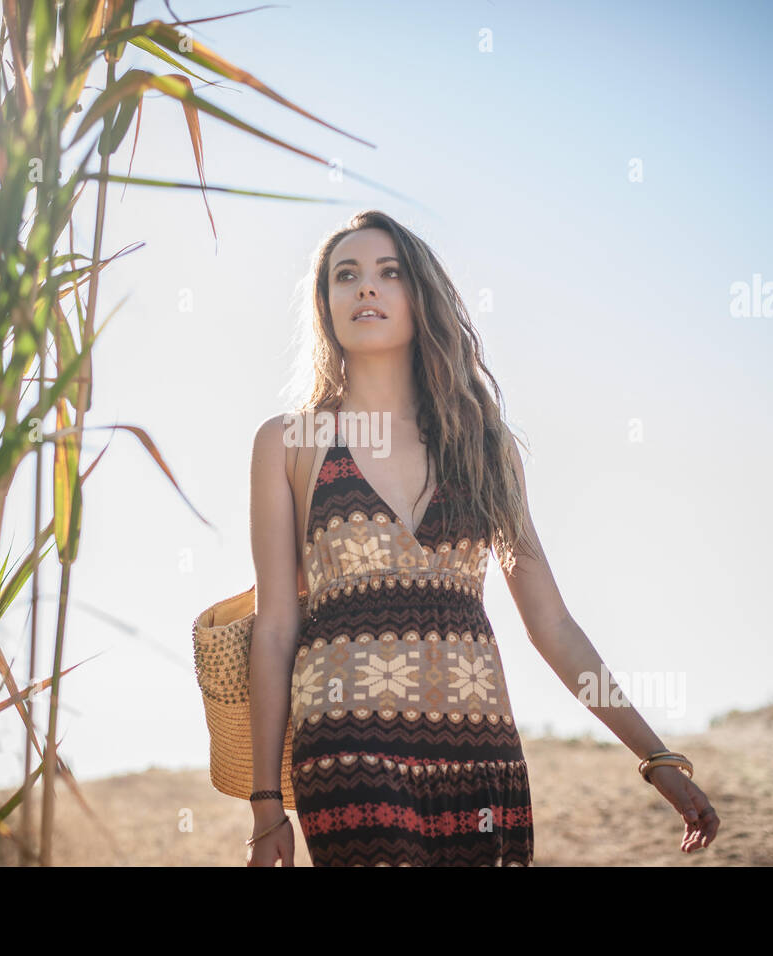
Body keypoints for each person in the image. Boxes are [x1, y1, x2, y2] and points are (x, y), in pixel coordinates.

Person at [245, 210, 719, 866]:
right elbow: (275, 627)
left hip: (479, 754)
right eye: (344, 276)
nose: (365, 289)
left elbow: (551, 623)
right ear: (325, 305)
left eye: (389, 273)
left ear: (421, 297)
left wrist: (655, 754)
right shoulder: (288, 442)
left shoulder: (484, 448)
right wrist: (266, 801)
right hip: (346, 748)